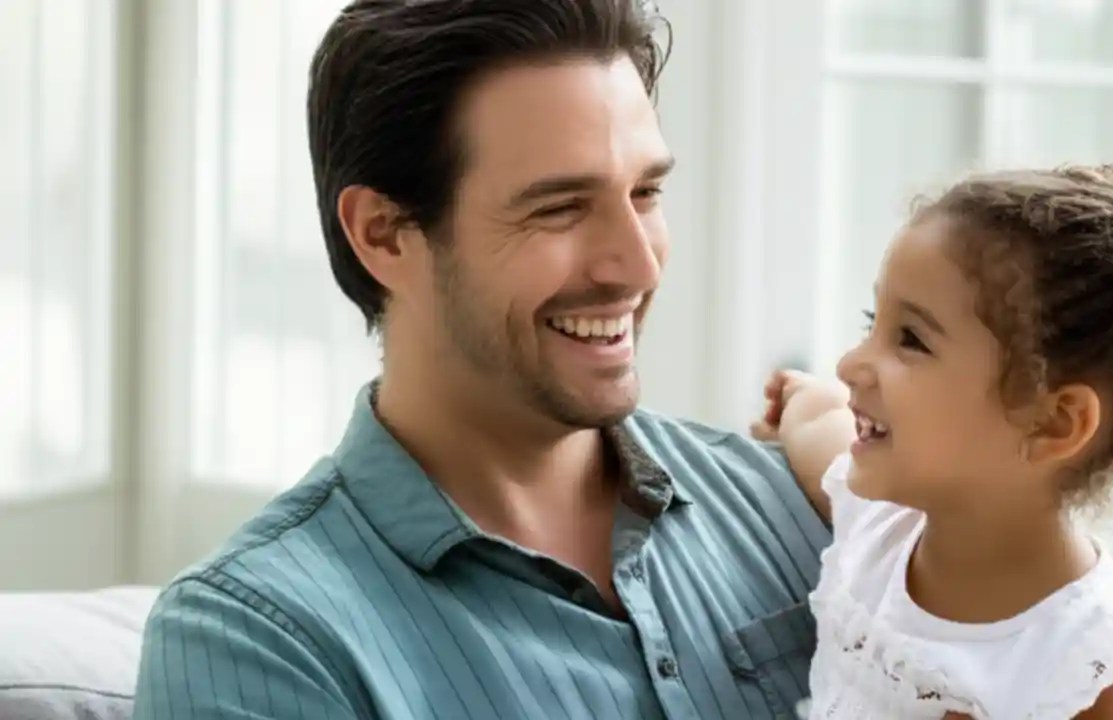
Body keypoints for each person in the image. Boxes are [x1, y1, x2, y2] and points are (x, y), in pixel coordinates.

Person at [131, 1, 830, 718]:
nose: (636, 262)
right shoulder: (252, 642)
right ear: (386, 234)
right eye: (559, 207)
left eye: (646, 192)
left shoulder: (804, 508)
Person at [754, 164, 1113, 719]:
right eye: (872, 321)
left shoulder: (1091, 679)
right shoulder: (878, 524)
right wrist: (797, 396)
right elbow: (818, 425)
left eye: (911, 340)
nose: (852, 363)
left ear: (1053, 423)